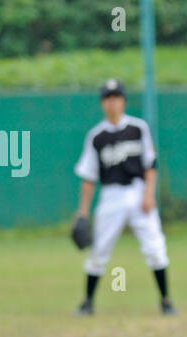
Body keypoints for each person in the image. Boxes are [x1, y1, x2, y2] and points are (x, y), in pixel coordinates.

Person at [72, 79, 176, 316]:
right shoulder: (96, 136)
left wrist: (149, 194)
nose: (113, 103)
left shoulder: (138, 128)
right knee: (99, 249)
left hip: (139, 191)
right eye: (108, 98)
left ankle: (166, 301)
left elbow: (150, 164)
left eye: (117, 98)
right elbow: (88, 177)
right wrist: (82, 213)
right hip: (111, 195)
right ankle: (87, 302)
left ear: (124, 101)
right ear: (102, 103)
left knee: (155, 247)